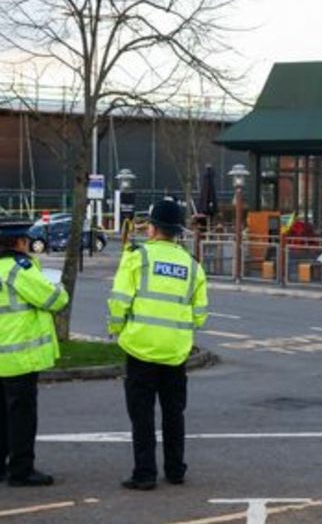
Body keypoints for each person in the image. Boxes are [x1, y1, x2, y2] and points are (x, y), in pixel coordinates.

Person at [108, 200, 208, 491]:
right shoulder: (192, 265)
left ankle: (145, 473)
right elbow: (200, 315)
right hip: (175, 352)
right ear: (178, 231)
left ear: (152, 228)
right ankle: (175, 470)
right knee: (174, 413)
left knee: (142, 414)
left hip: (140, 348)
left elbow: (119, 302)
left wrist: (116, 330)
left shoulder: (136, 257)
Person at [0, 218, 69, 487]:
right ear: (20, 242)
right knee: (21, 417)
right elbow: (56, 300)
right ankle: (21, 470)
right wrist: (58, 285)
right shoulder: (20, 270)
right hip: (18, 357)